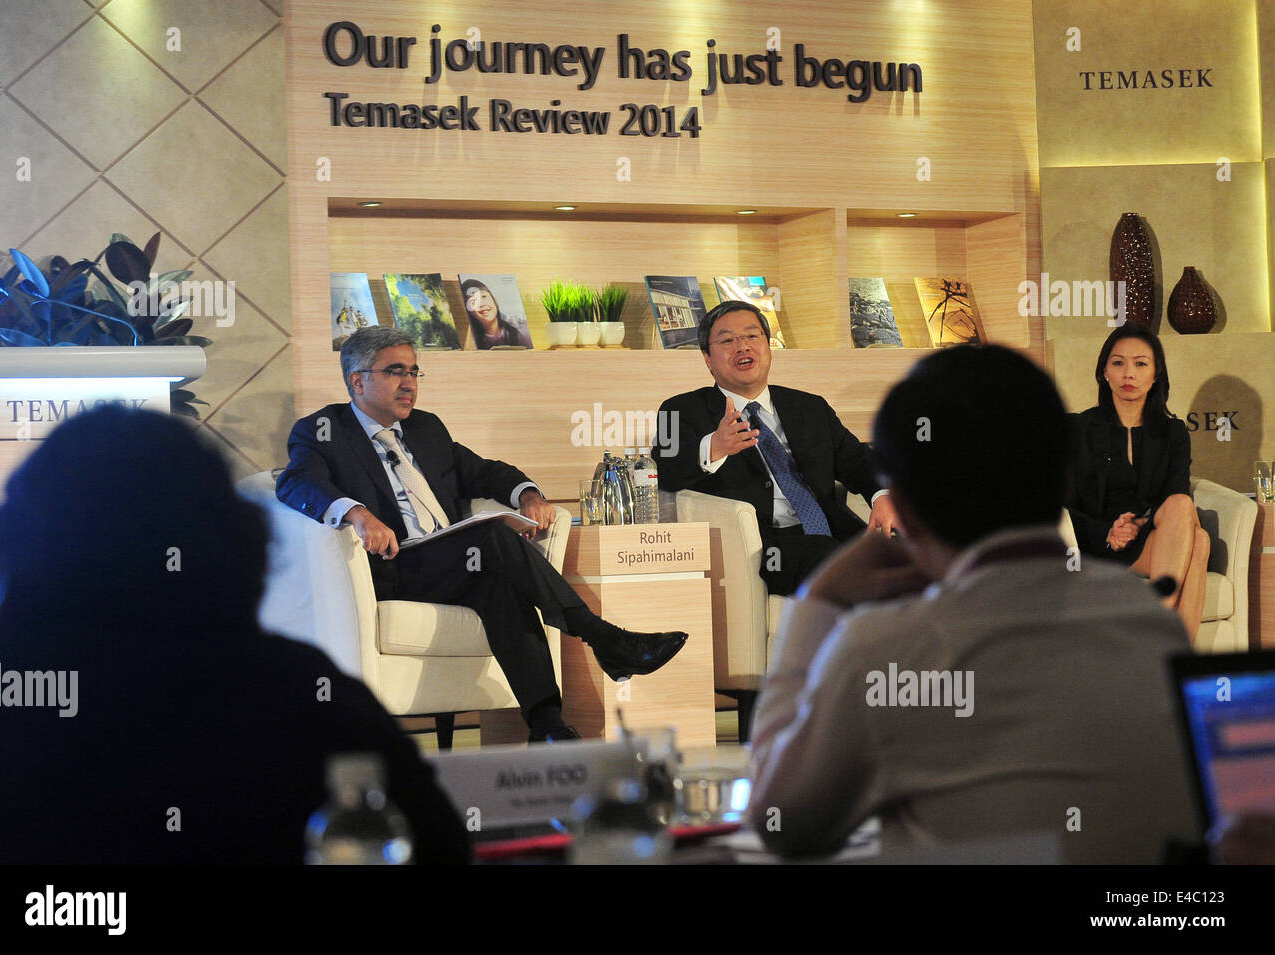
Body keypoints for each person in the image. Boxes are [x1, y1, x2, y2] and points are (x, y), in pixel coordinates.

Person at [748, 345, 1197, 863]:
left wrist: (817, 603)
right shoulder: (1149, 624)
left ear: (908, 500)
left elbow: (782, 821)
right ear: (1062, 477)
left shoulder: (882, 649)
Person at [0, 407, 472, 864]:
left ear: (14, 544)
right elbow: (441, 845)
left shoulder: (3, 697)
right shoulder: (308, 696)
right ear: (236, 539)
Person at [276, 326, 686, 742]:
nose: (409, 383)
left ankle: (547, 725)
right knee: (489, 540)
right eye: (395, 371)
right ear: (357, 380)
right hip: (393, 565)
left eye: (415, 372)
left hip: (452, 564)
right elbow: (294, 482)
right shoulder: (324, 430)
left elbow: (484, 471)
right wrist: (358, 514)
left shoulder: (426, 429)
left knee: (501, 589)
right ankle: (603, 637)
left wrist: (527, 494)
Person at [652, 300, 899, 597]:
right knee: (833, 559)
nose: (742, 346)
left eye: (752, 336)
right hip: (765, 549)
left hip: (834, 535)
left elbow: (859, 462)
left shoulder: (809, 407)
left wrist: (881, 496)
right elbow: (665, 471)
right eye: (728, 340)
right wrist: (715, 446)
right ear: (707, 357)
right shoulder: (678, 410)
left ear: (768, 346)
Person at [1067, 325, 1210, 642]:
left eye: (1140, 363)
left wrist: (1139, 521)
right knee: (1199, 542)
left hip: (1150, 536)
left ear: (1156, 374)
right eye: (1118, 363)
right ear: (1104, 371)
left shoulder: (1173, 432)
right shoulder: (1079, 428)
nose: (1128, 373)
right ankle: (1175, 656)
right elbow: (1061, 507)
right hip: (1100, 544)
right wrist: (1108, 531)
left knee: (1185, 510)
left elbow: (1175, 497)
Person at [462, 278, 532, 349]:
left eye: (483, 297)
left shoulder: (521, 334)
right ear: (469, 311)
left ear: (494, 300)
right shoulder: (470, 344)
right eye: (473, 301)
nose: (481, 304)